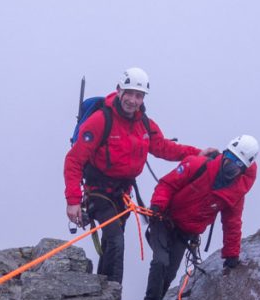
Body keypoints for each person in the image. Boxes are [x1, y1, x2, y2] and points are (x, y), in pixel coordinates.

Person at [63, 67, 214, 286]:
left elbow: (164, 148)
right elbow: (74, 160)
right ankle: (112, 298)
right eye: (130, 93)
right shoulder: (100, 121)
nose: (133, 100)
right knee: (115, 241)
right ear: (119, 90)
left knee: (112, 242)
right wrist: (73, 201)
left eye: (139, 95)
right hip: (98, 192)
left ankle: (102, 294)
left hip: (122, 194)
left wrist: (197, 153)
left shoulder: (144, 123)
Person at [132, 135, 260, 300]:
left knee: (170, 271)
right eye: (229, 157)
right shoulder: (197, 165)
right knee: (161, 261)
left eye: (237, 163)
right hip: (164, 219)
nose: (230, 164)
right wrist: (158, 205)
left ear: (244, 168)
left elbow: (232, 223)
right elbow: (167, 184)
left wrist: (232, 254)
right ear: (224, 153)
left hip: (186, 232)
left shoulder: (236, 192)